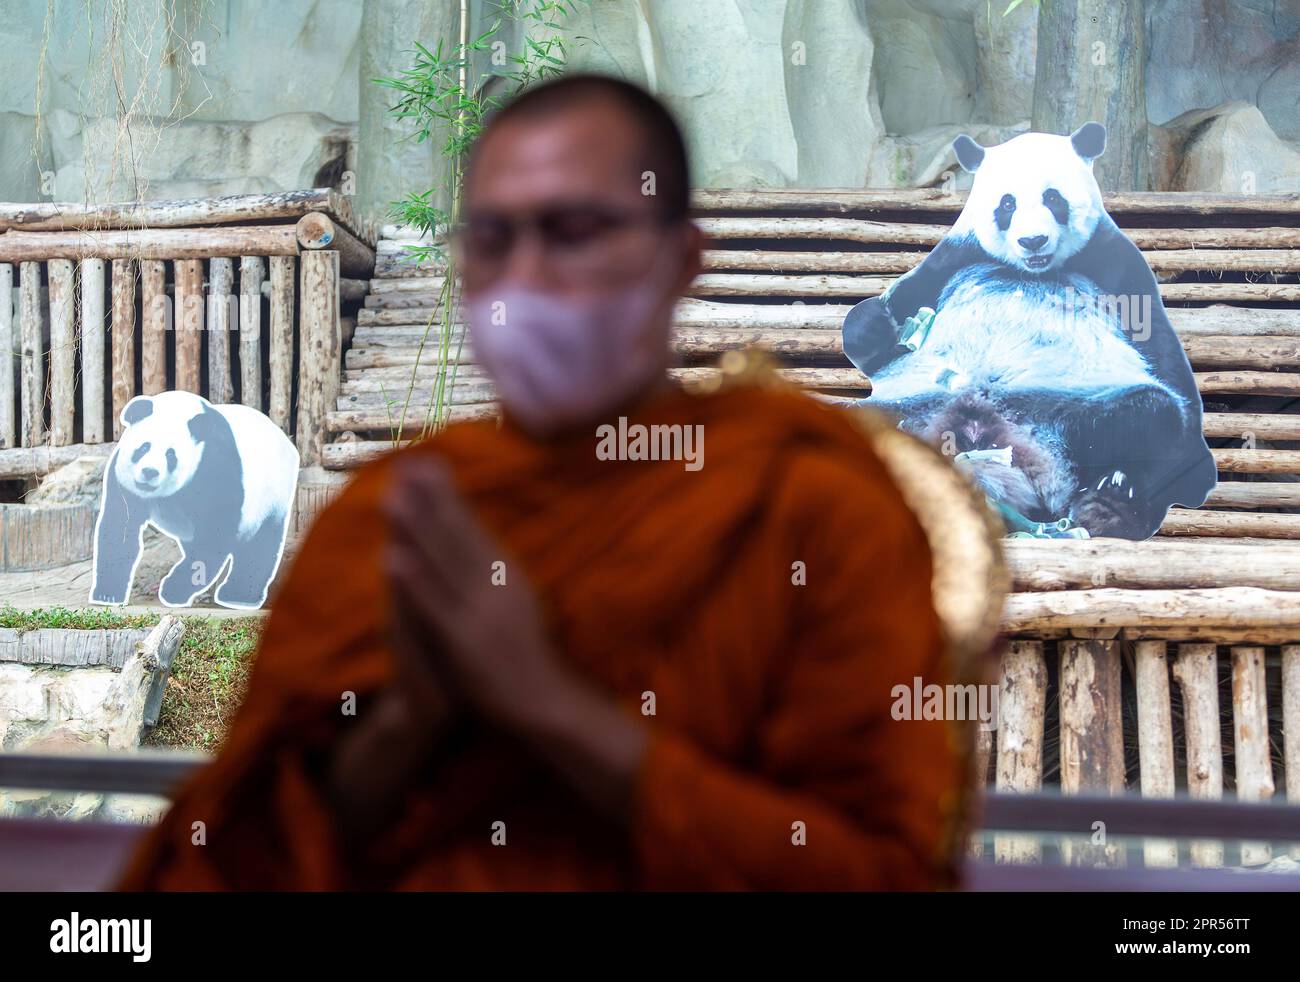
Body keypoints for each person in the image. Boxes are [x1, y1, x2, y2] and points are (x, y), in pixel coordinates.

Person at [119, 74, 966, 891]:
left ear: (679, 260)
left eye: (574, 231)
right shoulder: (405, 513)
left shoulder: (807, 506)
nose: (523, 279)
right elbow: (220, 869)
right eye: (492, 240)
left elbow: (882, 874)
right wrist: (409, 722)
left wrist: (545, 703)